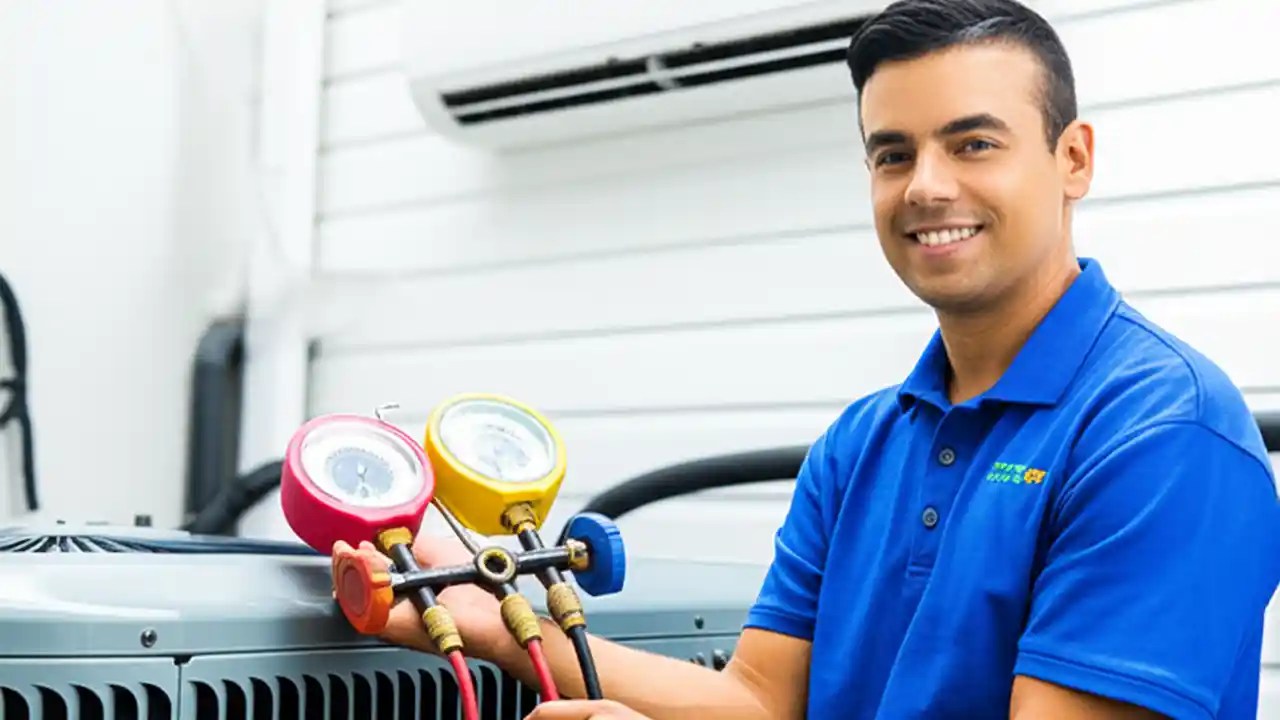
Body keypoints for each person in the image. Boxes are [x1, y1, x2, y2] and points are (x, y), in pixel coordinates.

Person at [373, 0, 1280, 717]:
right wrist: (496, 622)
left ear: (1072, 158)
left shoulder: (1164, 435)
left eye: (974, 143)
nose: (926, 186)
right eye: (893, 154)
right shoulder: (861, 443)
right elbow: (759, 700)